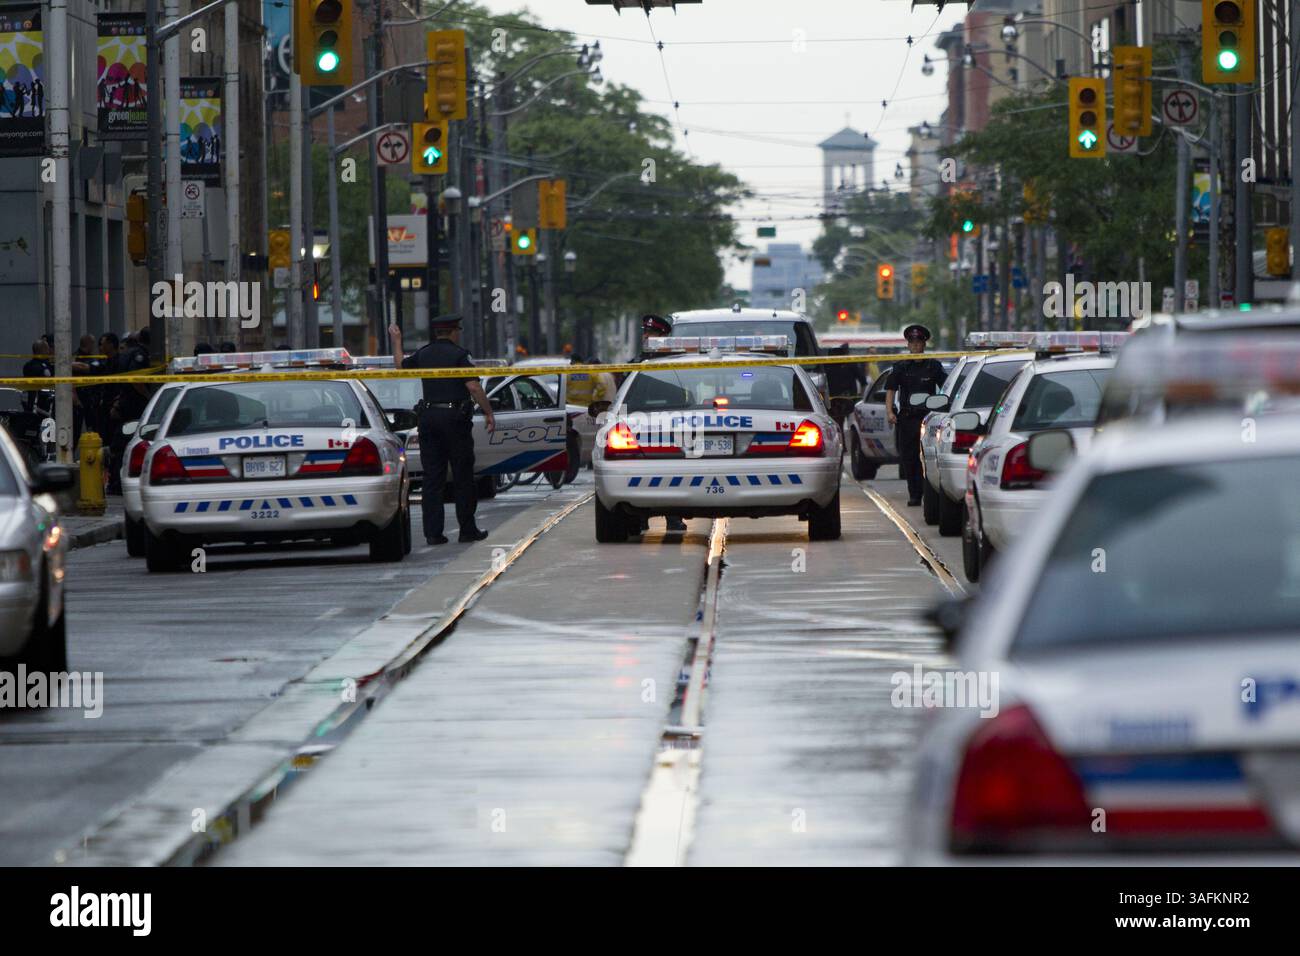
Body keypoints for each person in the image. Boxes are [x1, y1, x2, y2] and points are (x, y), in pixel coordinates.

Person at [389, 316, 495, 545]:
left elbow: (400, 366)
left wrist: (396, 341)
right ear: (453, 332)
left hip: (428, 419)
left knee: (432, 478)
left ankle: (433, 533)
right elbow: (474, 386)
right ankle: (467, 530)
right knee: (463, 476)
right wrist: (488, 412)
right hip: (455, 420)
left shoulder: (424, 353)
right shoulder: (460, 354)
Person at [885, 324, 946, 507]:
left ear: (924, 344)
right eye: (912, 342)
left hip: (928, 419)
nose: (916, 345)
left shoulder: (933, 366)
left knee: (928, 457)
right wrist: (889, 411)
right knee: (909, 458)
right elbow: (891, 390)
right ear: (908, 345)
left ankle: (930, 492)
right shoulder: (901, 367)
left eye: (919, 342)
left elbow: (947, 388)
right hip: (907, 419)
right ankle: (915, 494)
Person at [824, 343, 865, 430]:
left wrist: (861, 398)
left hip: (846, 400)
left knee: (848, 425)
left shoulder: (826, 365)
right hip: (837, 401)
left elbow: (863, 381)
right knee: (840, 424)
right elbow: (863, 381)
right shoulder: (826, 365)